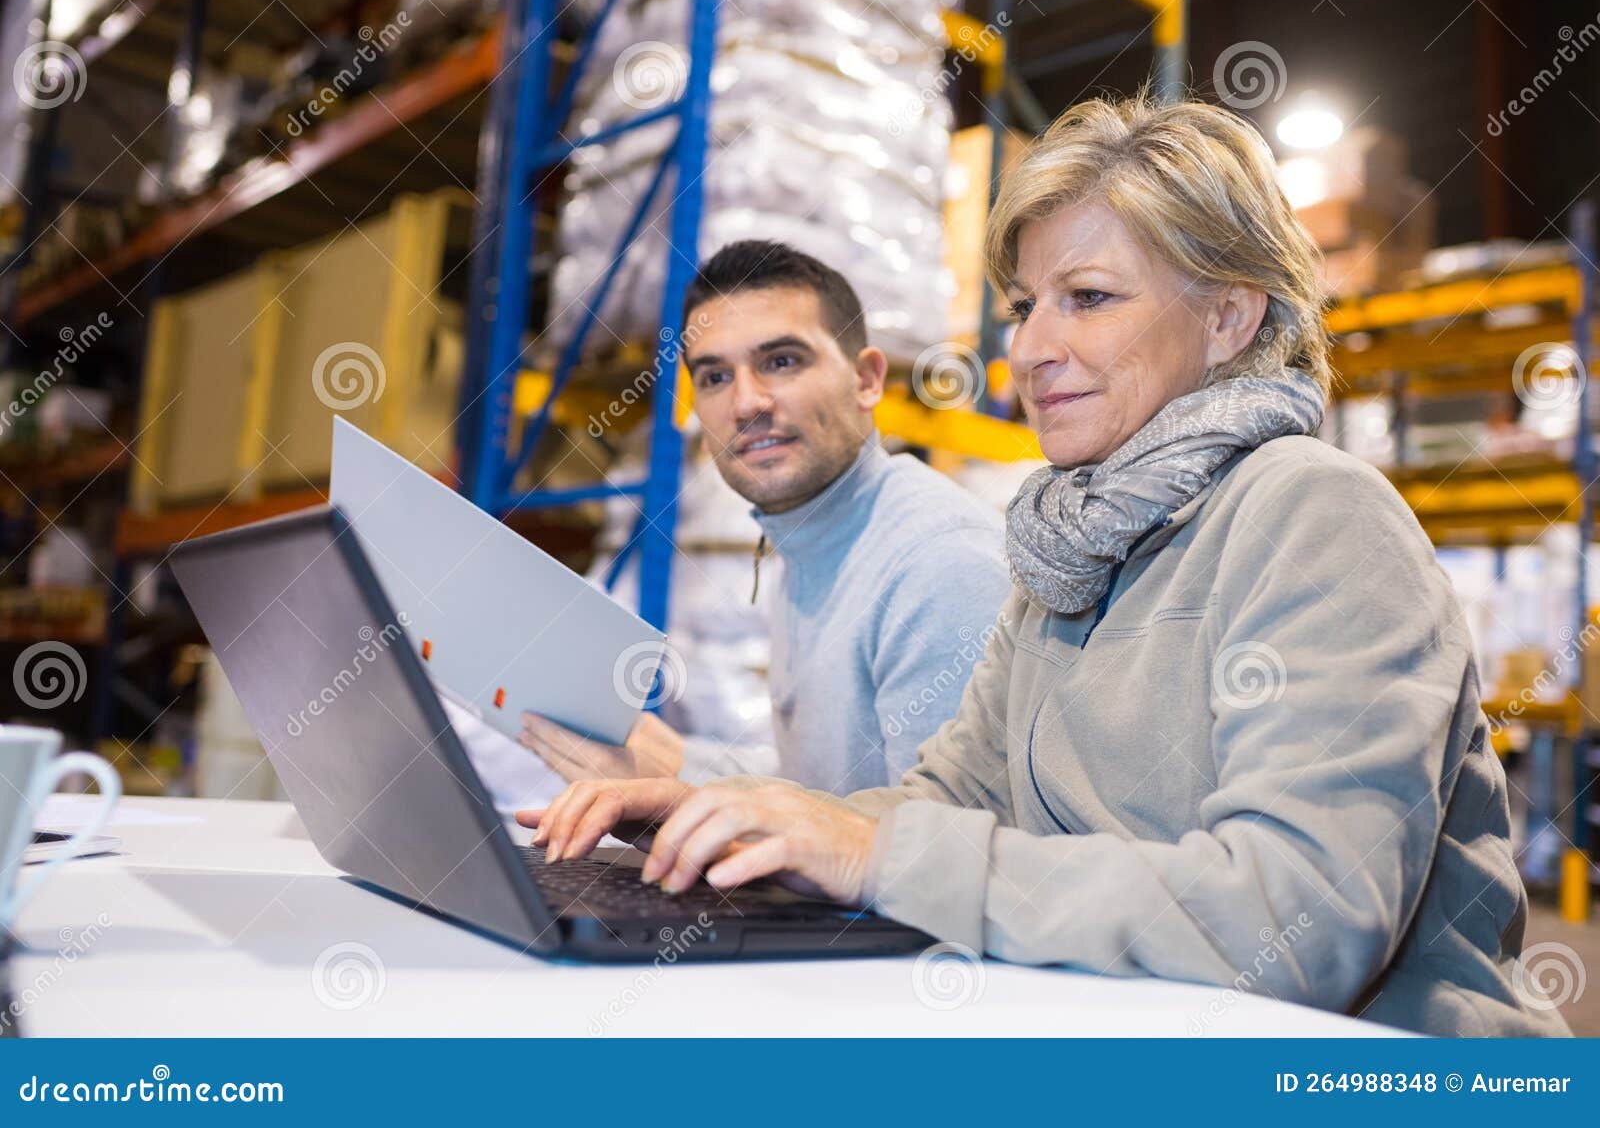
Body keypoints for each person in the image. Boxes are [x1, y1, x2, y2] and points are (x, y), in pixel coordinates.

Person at [518, 95, 1571, 1037]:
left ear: (1227, 315)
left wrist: (871, 853)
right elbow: (944, 798)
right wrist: (723, 801)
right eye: (1025, 306)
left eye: (1089, 297)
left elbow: (1297, 926)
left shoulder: (1312, 513)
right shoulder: (1065, 555)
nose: (1028, 348)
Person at [518, 241, 1010, 796]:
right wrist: (675, 764)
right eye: (715, 376)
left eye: (781, 361)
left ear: (867, 379)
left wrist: (682, 808)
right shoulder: (808, 544)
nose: (746, 403)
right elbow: (828, 795)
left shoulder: (939, 565)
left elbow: (928, 852)